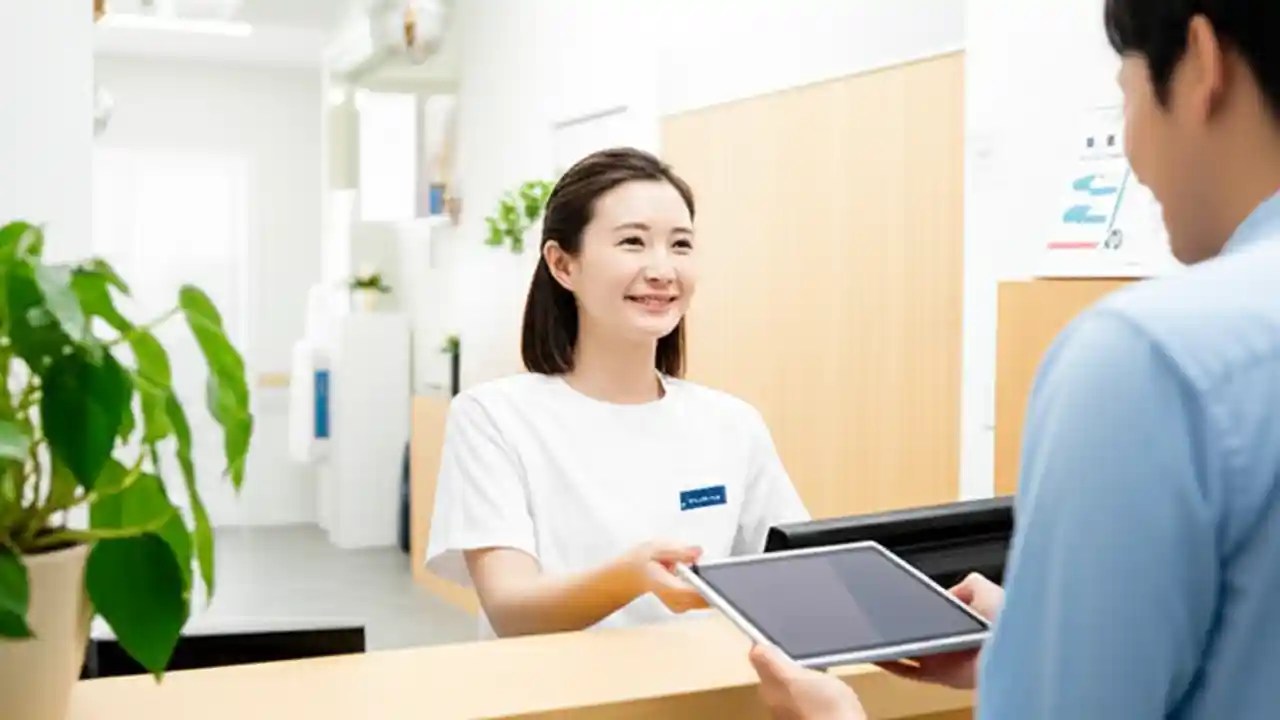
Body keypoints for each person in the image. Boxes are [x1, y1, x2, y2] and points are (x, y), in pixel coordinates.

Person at [750, 0, 1280, 717]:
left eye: (1125, 97)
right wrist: (1039, 641)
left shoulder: (1150, 359)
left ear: (1201, 63)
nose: (1128, 147)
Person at [425, 147, 809, 639]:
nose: (662, 269)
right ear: (563, 265)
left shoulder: (733, 423)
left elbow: (797, 572)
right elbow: (512, 611)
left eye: (681, 245)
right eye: (633, 242)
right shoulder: (494, 417)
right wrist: (629, 577)